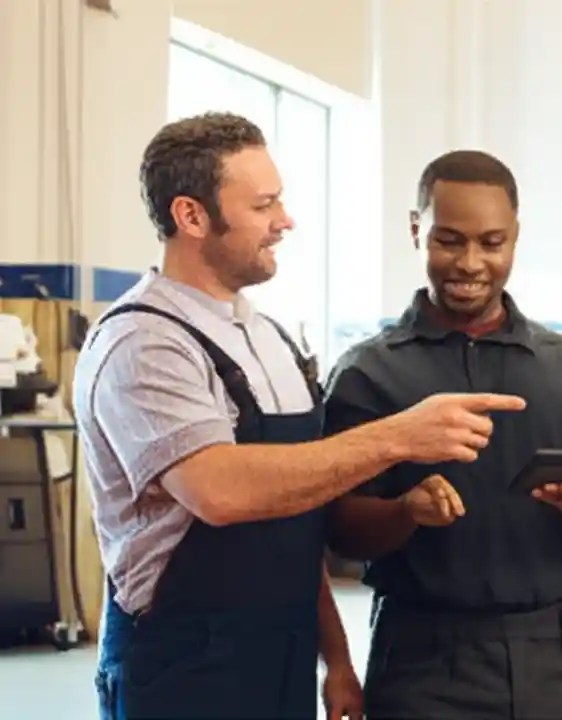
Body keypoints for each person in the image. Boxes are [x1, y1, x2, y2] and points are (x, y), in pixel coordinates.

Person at [73, 114, 526, 720]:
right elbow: (223, 492)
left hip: (280, 656)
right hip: (181, 670)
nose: (284, 220)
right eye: (264, 205)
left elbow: (296, 517)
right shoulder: (144, 344)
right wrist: (398, 436)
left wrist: (334, 658)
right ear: (191, 216)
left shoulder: (269, 339)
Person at [323, 149, 562, 719]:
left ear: (515, 237)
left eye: (492, 243)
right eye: (448, 240)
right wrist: (406, 511)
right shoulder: (367, 376)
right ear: (415, 229)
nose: (470, 263)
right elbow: (341, 536)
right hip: (425, 664)